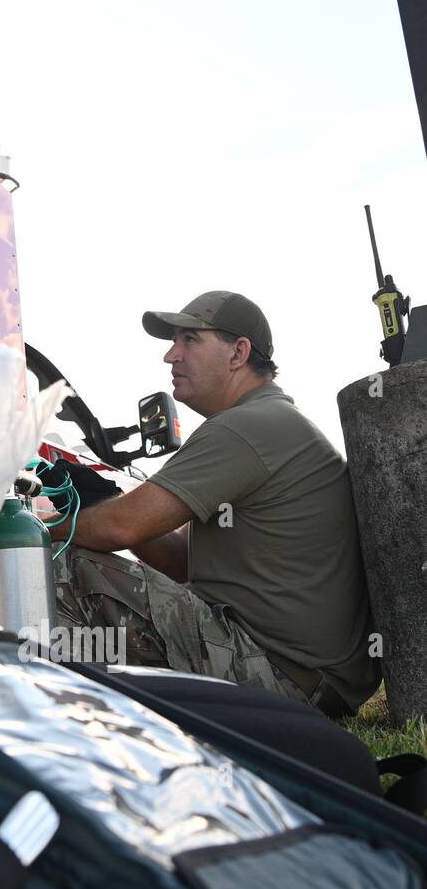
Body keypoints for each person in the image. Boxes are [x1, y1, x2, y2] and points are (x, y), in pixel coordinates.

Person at [44, 290, 379, 717]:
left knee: (59, 563)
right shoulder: (271, 421)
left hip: (280, 678)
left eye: (189, 340)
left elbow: (118, 530)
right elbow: (184, 562)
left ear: (239, 352)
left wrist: (38, 527)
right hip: (302, 680)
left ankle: (62, 720)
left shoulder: (248, 426)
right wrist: (107, 499)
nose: (171, 355)